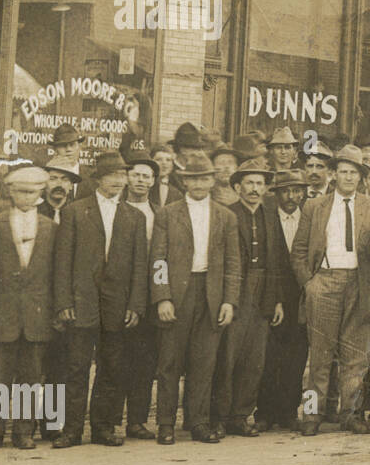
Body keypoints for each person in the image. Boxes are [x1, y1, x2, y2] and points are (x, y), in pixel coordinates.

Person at [290, 146, 370, 435]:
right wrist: (310, 285)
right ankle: (312, 414)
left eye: (354, 173)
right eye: (343, 172)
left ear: (361, 177)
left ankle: (351, 413)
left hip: (360, 284)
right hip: (324, 282)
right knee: (319, 355)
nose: (348, 177)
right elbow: (299, 251)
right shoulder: (315, 207)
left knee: (356, 356)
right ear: (333, 175)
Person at [52, 152, 148, 448]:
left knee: (112, 366)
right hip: (81, 303)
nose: (119, 180)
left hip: (117, 306)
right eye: (113, 175)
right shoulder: (75, 211)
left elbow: (139, 268)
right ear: (99, 178)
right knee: (77, 367)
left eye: (123, 175)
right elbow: (62, 261)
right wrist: (64, 301)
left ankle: (103, 427)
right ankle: (71, 430)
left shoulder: (135, 216)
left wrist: (135, 305)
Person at [151, 152, 242, 445]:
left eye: (204, 178)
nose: (199, 184)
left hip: (211, 293)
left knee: (205, 361)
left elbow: (233, 263)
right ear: (184, 181)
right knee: (170, 361)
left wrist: (229, 301)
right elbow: (158, 259)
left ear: (213, 180)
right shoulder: (167, 213)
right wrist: (163, 297)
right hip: (179, 292)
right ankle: (165, 423)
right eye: (193, 179)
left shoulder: (226, 216)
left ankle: (199, 422)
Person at [0, 165, 55, 451]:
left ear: (40, 194)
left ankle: (24, 431)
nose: (26, 197)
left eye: (33, 192)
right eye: (20, 192)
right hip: (4, 312)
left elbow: (55, 274)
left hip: (37, 314)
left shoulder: (51, 227)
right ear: (10, 192)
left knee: (31, 375)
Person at [212, 161, 286, 438]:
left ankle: (241, 415)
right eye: (249, 183)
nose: (254, 189)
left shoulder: (270, 215)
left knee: (255, 359)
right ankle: (219, 416)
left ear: (266, 188)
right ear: (237, 187)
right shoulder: (226, 214)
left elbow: (276, 259)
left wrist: (277, 300)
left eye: (259, 184)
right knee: (228, 357)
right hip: (235, 292)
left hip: (263, 292)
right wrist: (226, 299)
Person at [257, 169, 309, 432]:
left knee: (297, 355)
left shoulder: (309, 217)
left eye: (297, 190)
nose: (292, 196)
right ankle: (264, 411)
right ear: (276, 193)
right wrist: (275, 298)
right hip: (273, 296)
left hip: (301, 295)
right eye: (286, 191)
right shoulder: (267, 218)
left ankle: (289, 411)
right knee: (269, 355)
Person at [121, 153, 160, 438]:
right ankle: (109, 418)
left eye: (147, 176)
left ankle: (137, 420)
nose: (141, 181)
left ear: (154, 181)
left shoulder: (161, 213)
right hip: (119, 295)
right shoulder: (116, 208)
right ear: (127, 177)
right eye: (136, 175)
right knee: (117, 360)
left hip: (150, 297)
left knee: (145, 362)